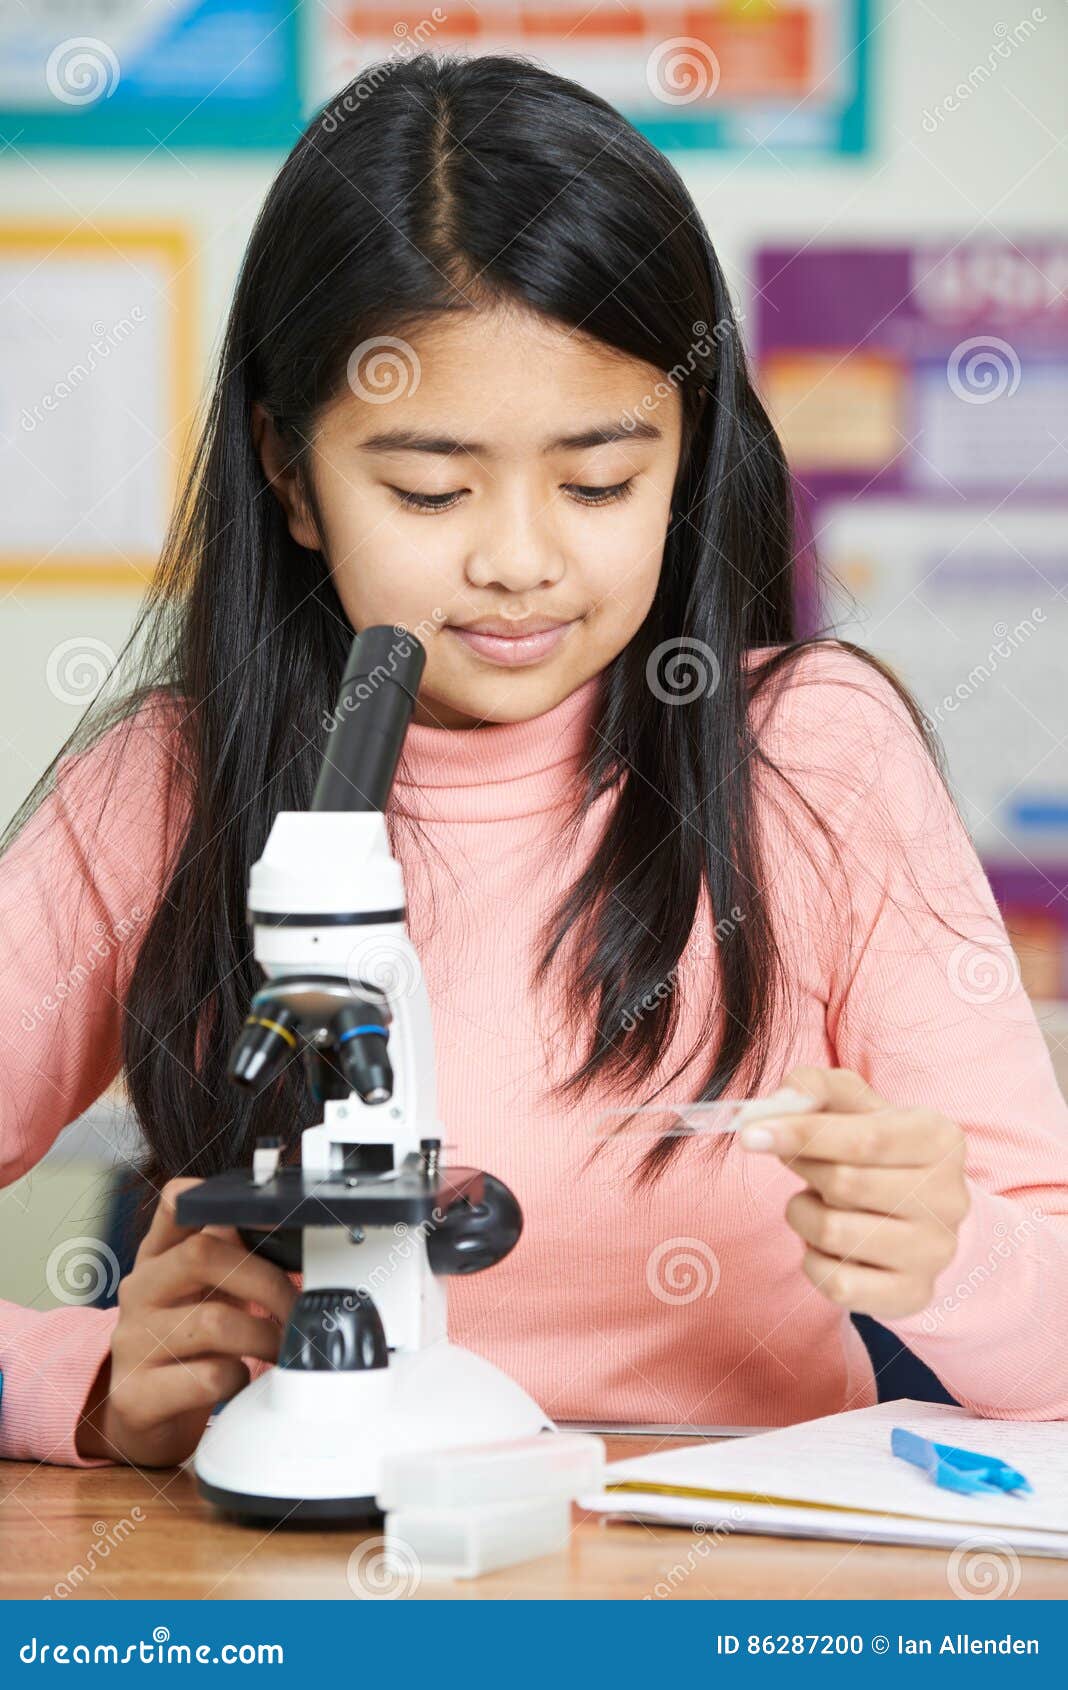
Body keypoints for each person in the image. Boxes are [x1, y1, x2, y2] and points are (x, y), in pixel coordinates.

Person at [2, 53, 1066, 1472]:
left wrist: (958, 1255)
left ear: (689, 454)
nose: (517, 560)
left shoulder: (815, 759)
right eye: (430, 487)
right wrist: (75, 1378)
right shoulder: (164, 782)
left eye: (600, 481)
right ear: (287, 468)